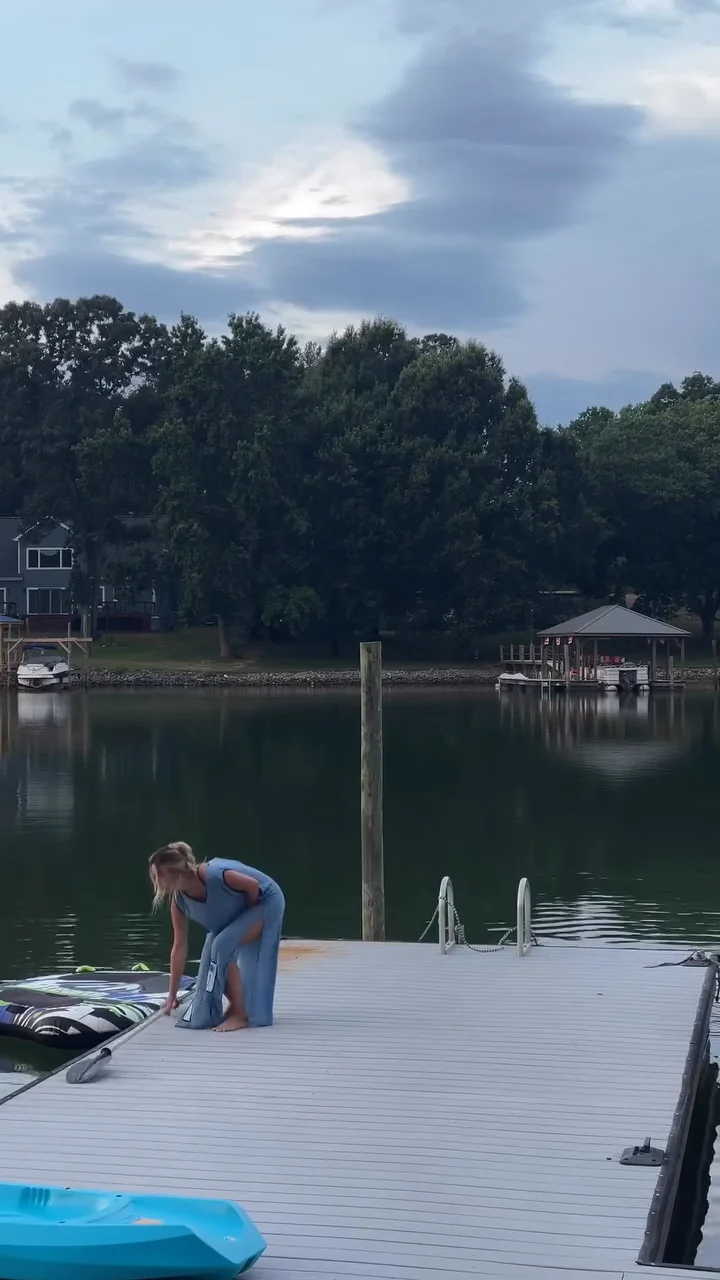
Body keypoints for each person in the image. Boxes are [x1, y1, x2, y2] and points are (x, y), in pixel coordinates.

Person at [148, 841, 285, 1032]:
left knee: (221, 945)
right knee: (211, 953)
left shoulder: (213, 875)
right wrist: (172, 996)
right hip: (236, 916)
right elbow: (179, 948)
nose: (155, 882)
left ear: (173, 873)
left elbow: (253, 886)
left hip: (265, 901)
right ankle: (234, 1006)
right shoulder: (179, 902)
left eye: (157, 876)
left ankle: (240, 1014)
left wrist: (243, 921)